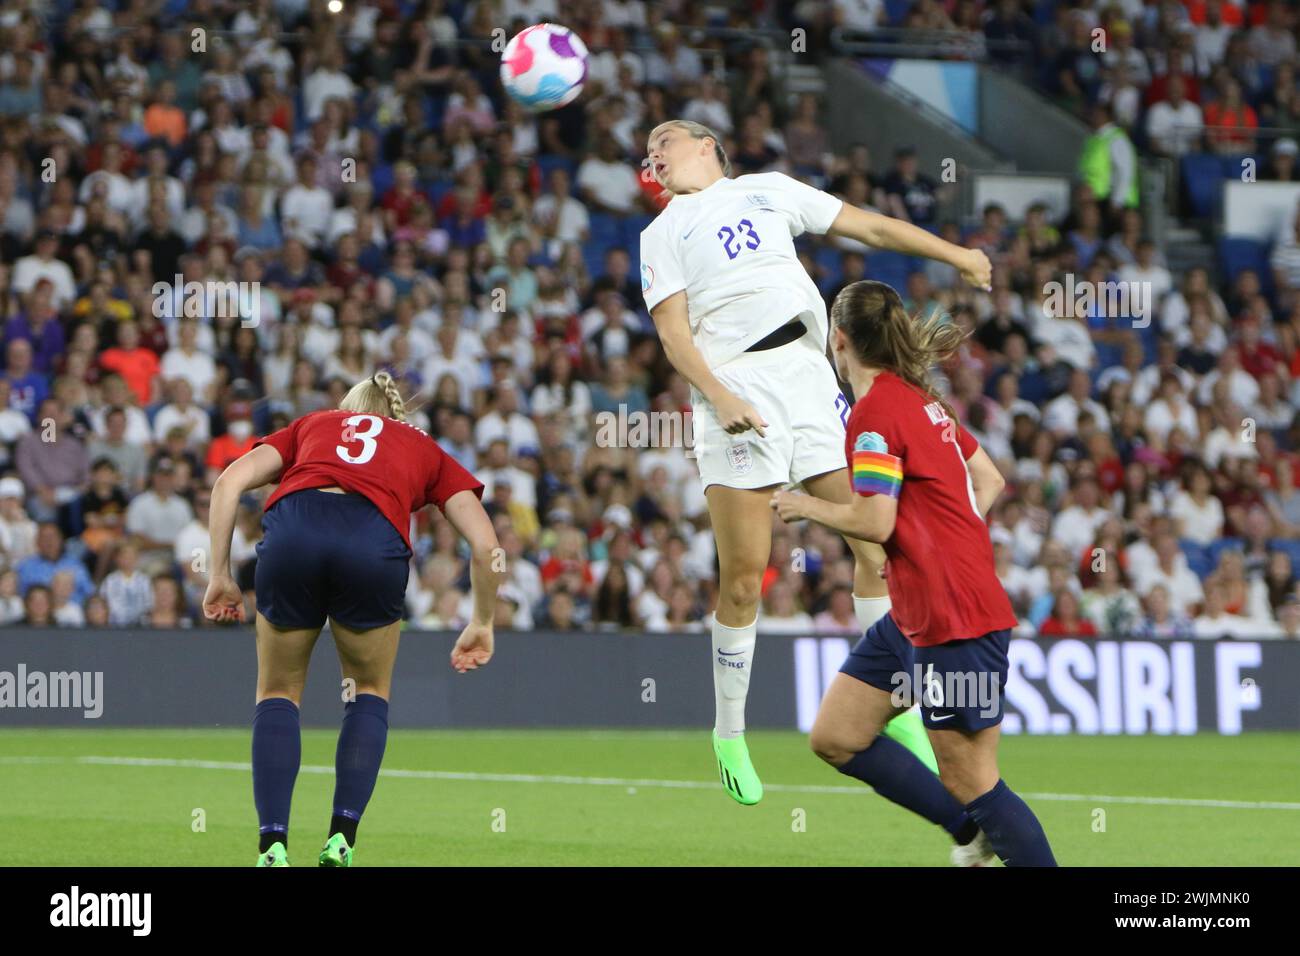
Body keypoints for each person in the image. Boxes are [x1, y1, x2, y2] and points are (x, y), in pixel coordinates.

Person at [639, 119, 991, 805]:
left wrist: (956, 254)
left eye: (667, 140)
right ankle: (729, 730)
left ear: (708, 144)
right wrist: (718, 394)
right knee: (744, 578)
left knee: (874, 538)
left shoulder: (769, 191)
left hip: (807, 377)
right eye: (649, 150)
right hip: (733, 386)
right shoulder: (662, 232)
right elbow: (673, 335)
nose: (655, 153)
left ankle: (901, 708)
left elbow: (874, 228)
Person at [771, 280, 1056, 866]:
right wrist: (946, 540)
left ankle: (984, 827)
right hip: (915, 613)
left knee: (974, 779)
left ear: (839, 338)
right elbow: (991, 481)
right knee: (837, 736)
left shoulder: (873, 416)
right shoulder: (924, 401)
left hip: (953, 620)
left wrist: (806, 505)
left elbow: (875, 521)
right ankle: (967, 831)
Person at [202, 371, 504, 867]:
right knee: (368, 690)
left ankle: (272, 845)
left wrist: (219, 574)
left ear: (346, 408)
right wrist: (483, 620)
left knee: (278, 692)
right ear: (396, 416)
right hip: (372, 539)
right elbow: (488, 547)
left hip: (294, 531)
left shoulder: (311, 425)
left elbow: (227, 482)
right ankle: (341, 838)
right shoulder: (421, 446)